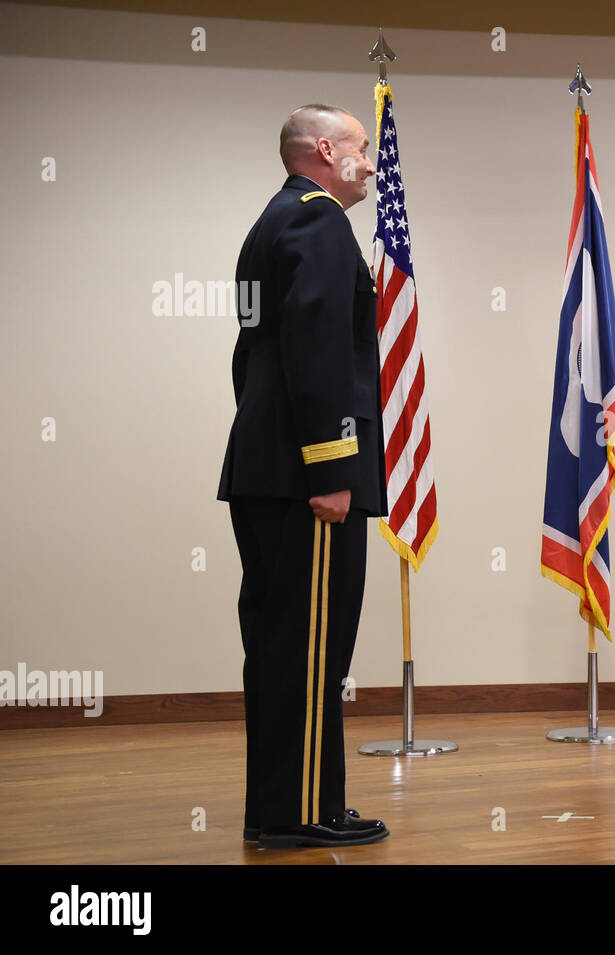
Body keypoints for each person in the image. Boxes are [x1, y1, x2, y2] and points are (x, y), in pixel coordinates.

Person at [217, 104, 389, 848]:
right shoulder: (319, 223)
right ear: (325, 149)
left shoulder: (271, 223)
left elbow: (248, 359)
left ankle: (288, 804)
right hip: (307, 482)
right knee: (311, 645)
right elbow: (319, 354)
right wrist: (330, 466)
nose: (370, 162)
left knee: (283, 641)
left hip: (266, 469)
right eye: (360, 147)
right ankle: (299, 812)